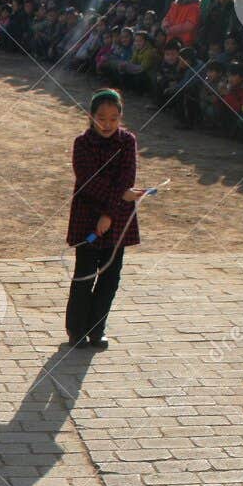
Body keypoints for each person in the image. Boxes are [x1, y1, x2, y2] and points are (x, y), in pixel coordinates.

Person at [65, 88, 146, 349]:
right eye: (101, 117)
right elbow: (89, 181)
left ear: (121, 117)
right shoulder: (82, 143)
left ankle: (96, 329)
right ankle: (77, 330)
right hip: (87, 216)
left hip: (118, 220)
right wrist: (111, 208)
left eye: (113, 118)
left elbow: (126, 178)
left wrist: (110, 215)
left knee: (110, 277)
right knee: (85, 275)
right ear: (91, 116)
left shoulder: (127, 141)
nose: (107, 123)